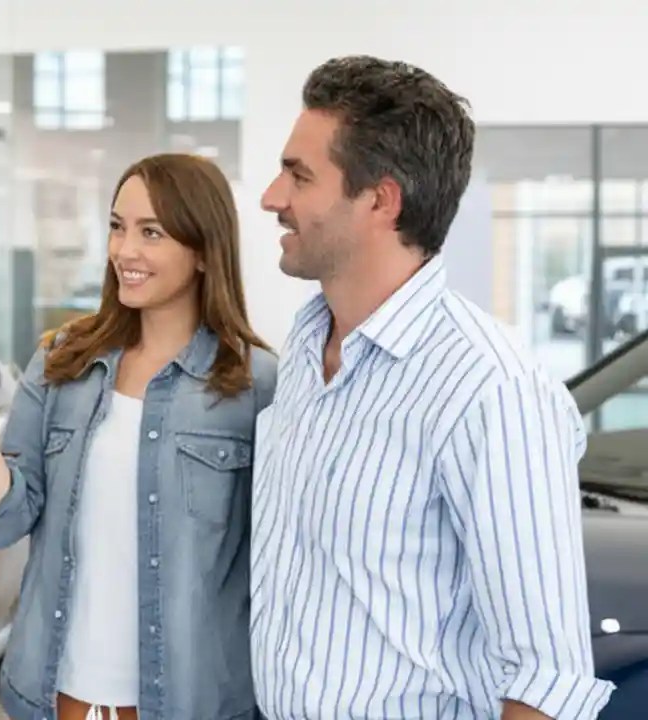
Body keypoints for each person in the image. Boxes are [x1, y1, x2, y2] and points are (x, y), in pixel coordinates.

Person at [251, 55, 616, 720]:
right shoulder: (304, 351)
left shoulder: (490, 390)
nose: (272, 197)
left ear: (381, 200)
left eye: (299, 176)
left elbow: (548, 683)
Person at [0, 153, 276, 720]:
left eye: (151, 233)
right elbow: (6, 519)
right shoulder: (64, 360)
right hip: (58, 693)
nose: (124, 251)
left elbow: (276, 565)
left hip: (195, 702)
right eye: (117, 227)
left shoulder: (255, 384)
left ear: (203, 251)